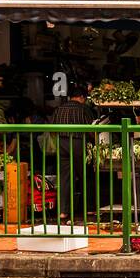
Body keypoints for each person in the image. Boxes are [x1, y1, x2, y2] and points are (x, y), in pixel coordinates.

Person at [50, 82, 96, 224]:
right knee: (85, 176)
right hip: (79, 142)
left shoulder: (59, 109)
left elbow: (52, 129)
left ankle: (63, 211)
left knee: (64, 178)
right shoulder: (84, 109)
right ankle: (88, 208)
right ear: (82, 97)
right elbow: (91, 130)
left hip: (61, 143)